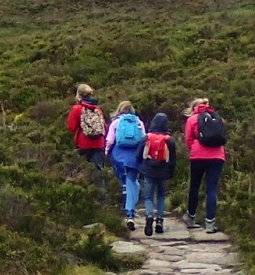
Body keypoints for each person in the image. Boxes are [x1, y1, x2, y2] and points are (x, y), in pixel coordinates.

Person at [184, 97, 228, 233]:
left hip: (198, 156)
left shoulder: (192, 119)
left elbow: (188, 139)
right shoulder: (218, 118)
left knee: (194, 186)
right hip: (217, 156)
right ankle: (210, 223)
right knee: (211, 189)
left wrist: (195, 148)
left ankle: (191, 218)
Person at [105, 102, 146, 230]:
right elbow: (144, 138)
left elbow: (110, 140)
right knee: (132, 181)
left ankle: (126, 203)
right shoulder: (139, 122)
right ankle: (130, 213)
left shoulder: (116, 122)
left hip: (118, 155)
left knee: (124, 179)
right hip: (134, 156)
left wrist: (106, 152)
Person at [140, 113, 177, 236]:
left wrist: (143, 167)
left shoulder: (146, 138)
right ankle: (160, 220)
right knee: (161, 196)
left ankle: (149, 216)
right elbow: (173, 160)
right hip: (163, 172)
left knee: (149, 196)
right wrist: (170, 173)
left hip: (149, 170)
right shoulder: (169, 140)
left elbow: (138, 155)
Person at [66, 84, 107, 169]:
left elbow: (71, 127)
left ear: (78, 95)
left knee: (82, 170)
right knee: (99, 171)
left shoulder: (77, 109)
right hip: (99, 143)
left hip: (83, 144)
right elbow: (104, 127)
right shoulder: (97, 109)